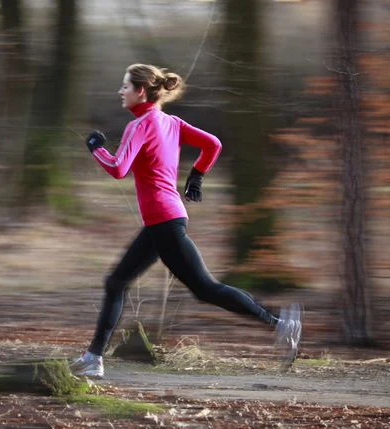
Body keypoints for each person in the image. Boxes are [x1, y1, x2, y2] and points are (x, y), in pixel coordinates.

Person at [70, 64, 302, 378]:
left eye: (125, 86)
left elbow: (118, 168)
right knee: (117, 282)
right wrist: (197, 176)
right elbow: (213, 144)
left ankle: (279, 323)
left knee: (206, 288)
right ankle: (93, 358)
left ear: (140, 91)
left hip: (164, 221)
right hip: (164, 221)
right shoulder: (172, 122)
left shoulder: (139, 126)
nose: (120, 91)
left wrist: (96, 149)